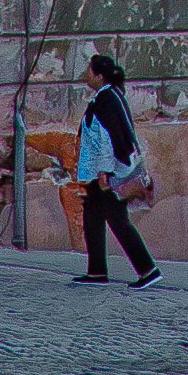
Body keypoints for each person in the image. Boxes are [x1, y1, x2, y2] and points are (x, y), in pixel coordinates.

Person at [71, 50, 160, 285]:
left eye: (88, 71)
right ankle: (97, 271)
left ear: (99, 76)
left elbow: (108, 139)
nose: (85, 75)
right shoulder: (106, 96)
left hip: (108, 172)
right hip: (97, 172)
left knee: (118, 219)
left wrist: (105, 172)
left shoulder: (107, 100)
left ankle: (148, 270)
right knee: (92, 214)